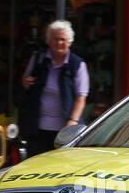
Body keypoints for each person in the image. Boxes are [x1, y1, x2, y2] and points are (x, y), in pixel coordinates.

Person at [17, 20, 89, 155]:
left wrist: (72, 122)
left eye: (63, 39)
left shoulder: (77, 64)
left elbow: (81, 97)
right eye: (55, 39)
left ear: (69, 42)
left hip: (65, 131)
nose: (59, 43)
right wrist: (25, 81)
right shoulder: (38, 58)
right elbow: (25, 79)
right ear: (49, 41)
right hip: (37, 128)